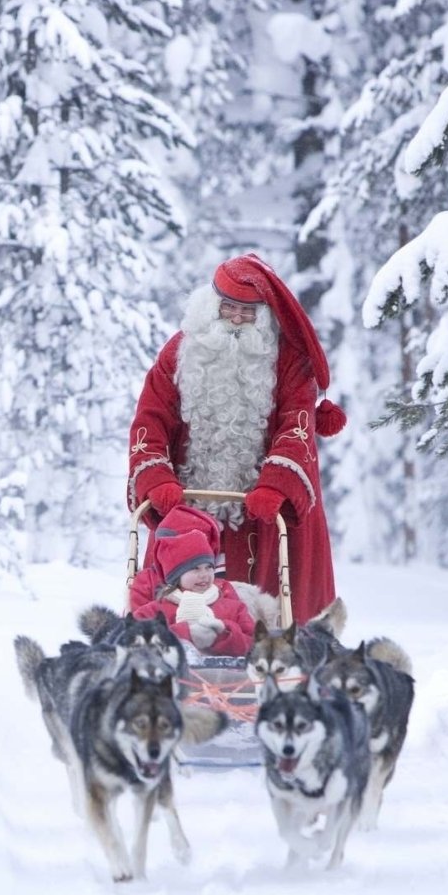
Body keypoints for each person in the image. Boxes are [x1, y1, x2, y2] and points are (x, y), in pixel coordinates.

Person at [127, 254, 344, 622]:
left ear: (265, 315)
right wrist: (157, 478)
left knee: (270, 610)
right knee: (172, 607)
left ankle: (276, 662)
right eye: (229, 308)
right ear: (210, 306)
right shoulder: (179, 353)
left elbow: (298, 426)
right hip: (189, 509)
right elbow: (150, 420)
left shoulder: (289, 363)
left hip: (263, 514)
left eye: (249, 312)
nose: (238, 320)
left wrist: (276, 485)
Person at [129, 523, 256, 656]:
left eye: (209, 567)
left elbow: (253, 643)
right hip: (172, 673)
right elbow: (134, 639)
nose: (204, 575)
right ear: (177, 576)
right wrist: (186, 632)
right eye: (195, 568)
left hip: (227, 674)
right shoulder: (155, 611)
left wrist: (222, 634)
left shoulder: (234, 608)